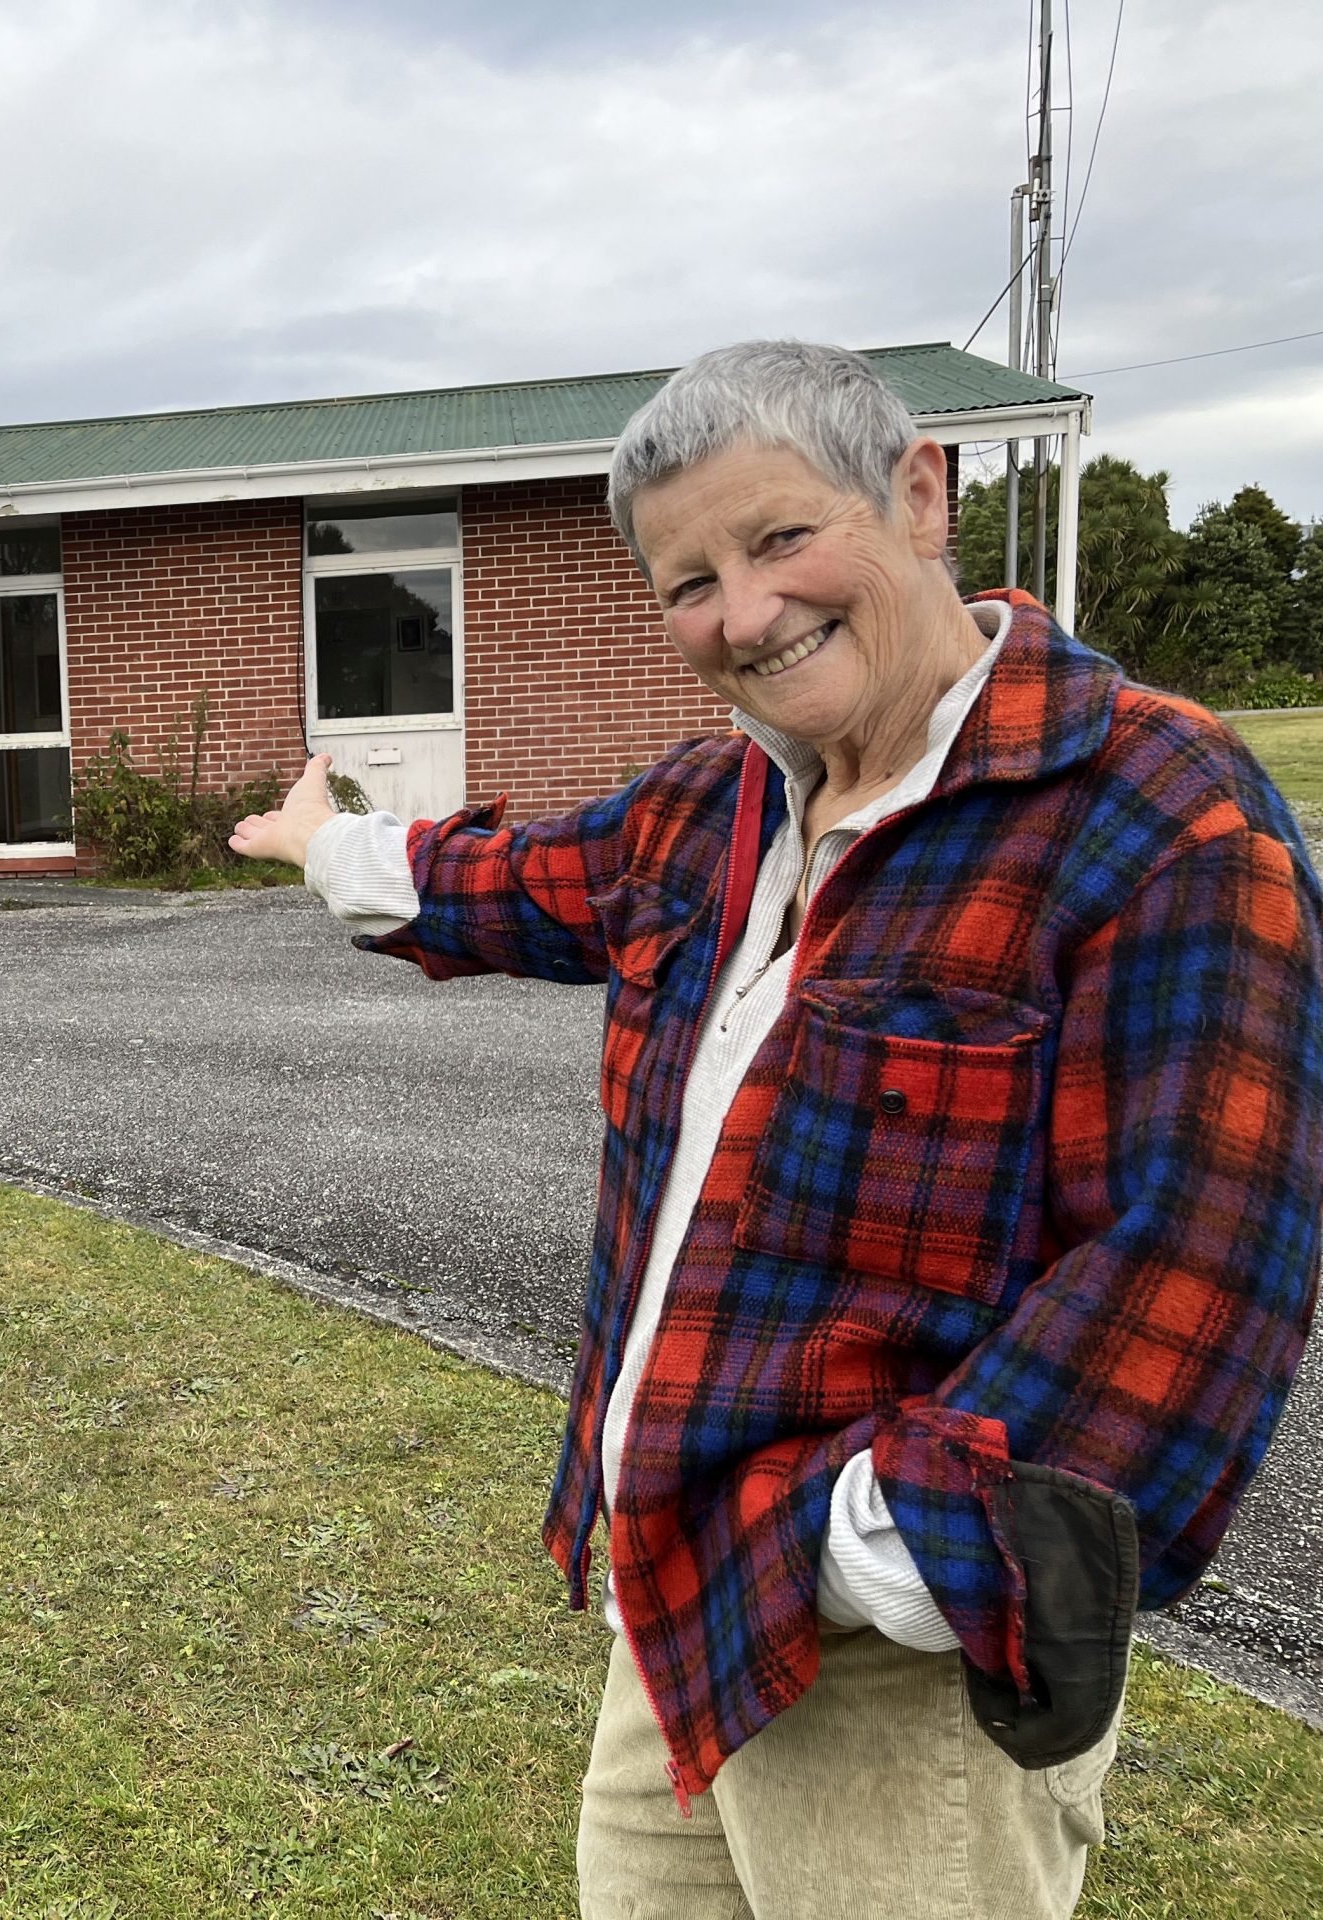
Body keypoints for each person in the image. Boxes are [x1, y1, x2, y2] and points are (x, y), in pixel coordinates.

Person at [231, 340, 1323, 1919]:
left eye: (780, 540)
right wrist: (334, 842)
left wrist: (864, 1549)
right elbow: (527, 882)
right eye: (688, 583)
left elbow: (1198, 1268)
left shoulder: (1154, 808)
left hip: (901, 1676)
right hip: (679, 1615)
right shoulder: (725, 802)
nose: (742, 616)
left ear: (920, 493)